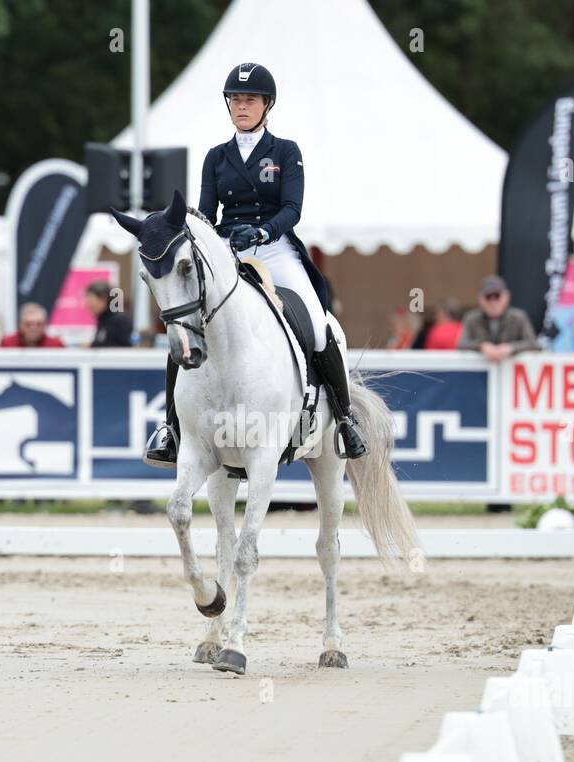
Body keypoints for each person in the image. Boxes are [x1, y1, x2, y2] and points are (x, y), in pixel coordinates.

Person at [144, 62, 367, 467]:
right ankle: (172, 428)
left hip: (276, 248)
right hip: (229, 250)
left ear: (267, 105)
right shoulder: (217, 156)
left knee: (318, 327)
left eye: (250, 100)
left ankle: (345, 417)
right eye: (235, 99)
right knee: (189, 325)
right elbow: (207, 212)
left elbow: (292, 209)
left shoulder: (285, 151)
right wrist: (214, 238)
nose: (241, 106)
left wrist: (263, 233)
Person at [457, 276, 538, 360]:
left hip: (511, 371)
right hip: (481, 371)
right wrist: (481, 346)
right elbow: (461, 344)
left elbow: (533, 343)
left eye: (497, 296)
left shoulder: (519, 317)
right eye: (488, 297)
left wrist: (511, 348)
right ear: (480, 299)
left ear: (506, 297)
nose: (493, 302)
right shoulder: (471, 318)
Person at [86, 280, 134, 347]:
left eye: (91, 300)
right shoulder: (102, 319)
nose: (88, 305)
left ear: (103, 299)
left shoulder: (119, 320)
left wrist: (91, 346)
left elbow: (115, 346)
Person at [0, 302, 65, 348]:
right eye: (28, 324)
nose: (33, 328)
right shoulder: (7, 343)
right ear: (20, 325)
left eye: (38, 324)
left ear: (45, 325)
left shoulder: (55, 345)